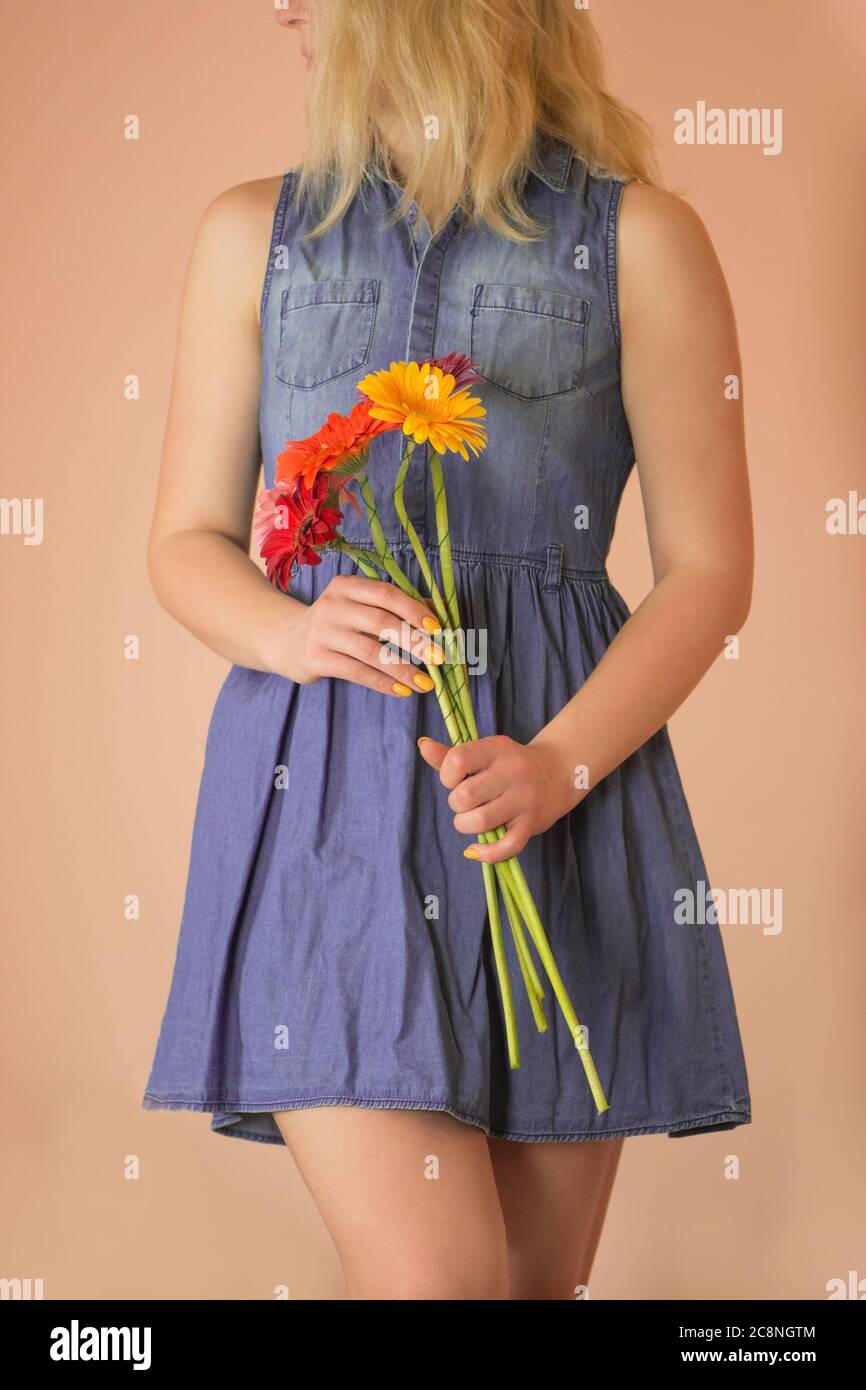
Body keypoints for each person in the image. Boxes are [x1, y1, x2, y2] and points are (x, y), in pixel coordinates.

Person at [143, 0, 753, 1300]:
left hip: (565, 806)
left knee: (526, 1291)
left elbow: (707, 573)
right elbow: (185, 541)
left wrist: (560, 765)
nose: (285, 9)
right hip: (327, 812)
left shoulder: (640, 238)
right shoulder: (249, 238)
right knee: (437, 1280)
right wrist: (295, 626)